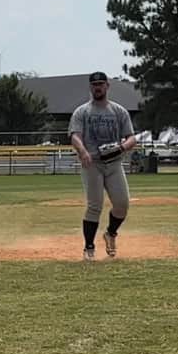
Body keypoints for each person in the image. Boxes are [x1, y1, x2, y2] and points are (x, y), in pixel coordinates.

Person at [68, 71, 137, 260]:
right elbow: (75, 134)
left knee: (122, 204)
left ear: (107, 86)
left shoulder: (118, 111)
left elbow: (131, 137)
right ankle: (89, 248)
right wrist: (82, 151)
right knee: (94, 206)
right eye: (94, 84)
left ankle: (110, 234)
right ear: (90, 87)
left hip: (114, 163)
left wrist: (121, 147)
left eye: (101, 84)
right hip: (93, 163)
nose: (97, 87)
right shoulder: (82, 111)